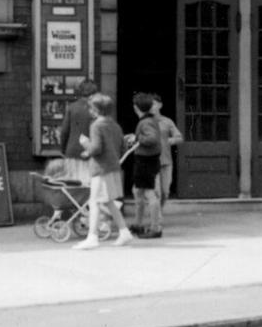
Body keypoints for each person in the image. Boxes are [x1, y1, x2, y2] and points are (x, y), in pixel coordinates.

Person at [76, 93, 133, 248]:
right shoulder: (115, 126)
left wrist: (85, 144)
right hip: (114, 168)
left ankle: (92, 237)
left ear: (95, 109)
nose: (89, 110)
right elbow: (122, 147)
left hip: (101, 169)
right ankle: (124, 232)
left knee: (94, 202)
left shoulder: (96, 125)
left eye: (90, 107)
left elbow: (96, 148)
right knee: (108, 202)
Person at [126, 93, 165, 238]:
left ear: (137, 108)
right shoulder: (150, 120)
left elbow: (152, 139)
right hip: (149, 160)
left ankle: (155, 228)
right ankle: (138, 224)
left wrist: (136, 138)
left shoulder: (145, 122)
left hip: (145, 161)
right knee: (138, 192)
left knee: (148, 193)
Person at [53, 77, 99, 183]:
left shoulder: (72, 107)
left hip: (72, 152)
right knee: (89, 186)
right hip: (90, 153)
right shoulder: (97, 109)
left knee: (72, 186)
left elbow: (64, 131)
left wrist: (63, 150)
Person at [151, 96, 184, 202]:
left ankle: (159, 209)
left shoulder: (167, 121)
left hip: (166, 160)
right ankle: (157, 215)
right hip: (151, 160)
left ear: (160, 105)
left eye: (154, 104)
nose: (152, 107)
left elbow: (179, 137)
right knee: (155, 190)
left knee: (165, 191)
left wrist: (171, 140)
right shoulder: (145, 122)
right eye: (149, 105)